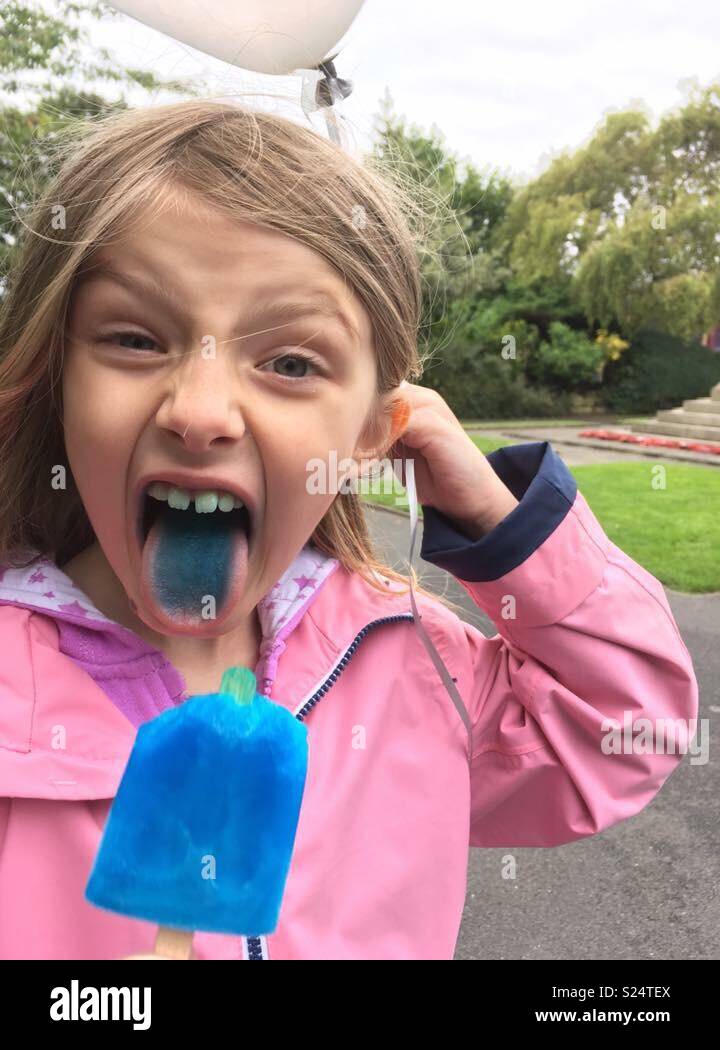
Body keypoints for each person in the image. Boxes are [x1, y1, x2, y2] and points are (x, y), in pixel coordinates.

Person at [0, 99, 698, 960]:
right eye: (137, 338)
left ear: (375, 430)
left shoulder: (408, 666)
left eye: (292, 362)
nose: (202, 413)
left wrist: (502, 526)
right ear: (55, 376)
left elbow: (629, 730)